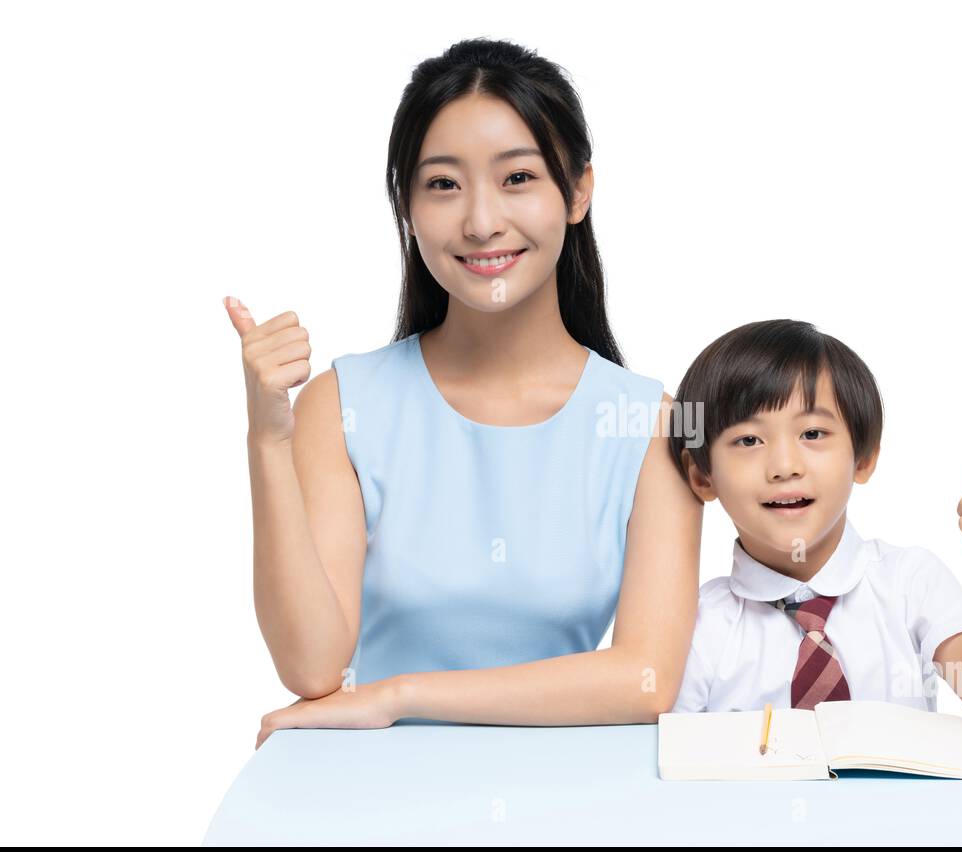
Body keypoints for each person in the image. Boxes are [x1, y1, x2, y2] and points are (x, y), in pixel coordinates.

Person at [223, 39, 701, 750]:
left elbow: (645, 680)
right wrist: (268, 439)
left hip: (569, 796)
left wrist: (398, 696)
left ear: (577, 192)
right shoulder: (343, 402)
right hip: (369, 795)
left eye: (517, 178)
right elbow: (313, 664)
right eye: (443, 184)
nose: (480, 221)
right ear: (406, 206)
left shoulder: (652, 421)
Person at [665, 319, 962, 731]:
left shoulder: (911, 584)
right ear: (703, 477)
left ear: (863, 458)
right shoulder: (697, 625)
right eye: (749, 440)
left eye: (812, 432)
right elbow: (672, 761)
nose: (784, 467)